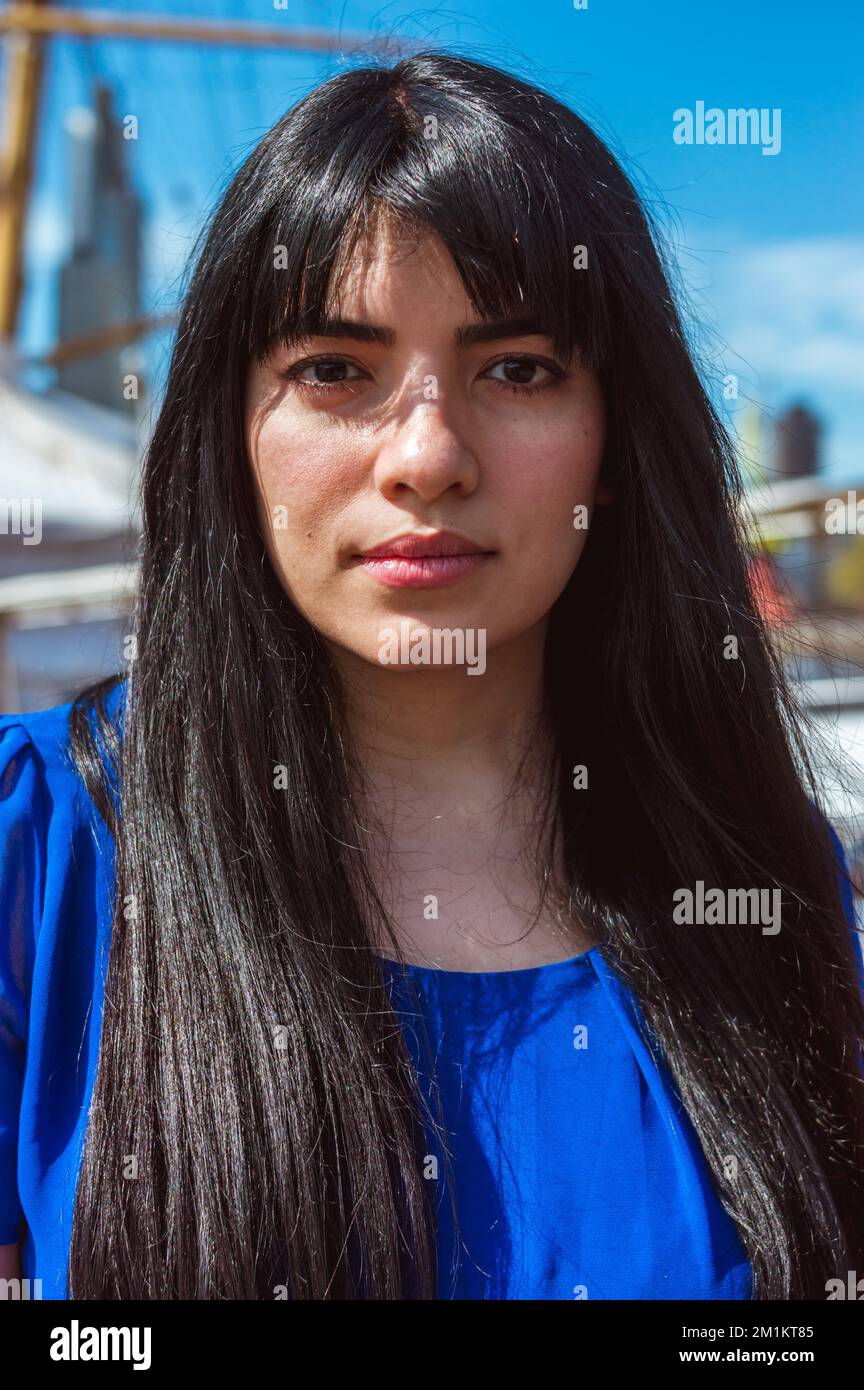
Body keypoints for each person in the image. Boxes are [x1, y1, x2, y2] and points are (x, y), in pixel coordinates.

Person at [1, 50, 862, 1302]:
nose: (429, 455)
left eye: (518, 368)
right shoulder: (35, 860)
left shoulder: (784, 902)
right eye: (333, 371)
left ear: (616, 442)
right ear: (228, 436)